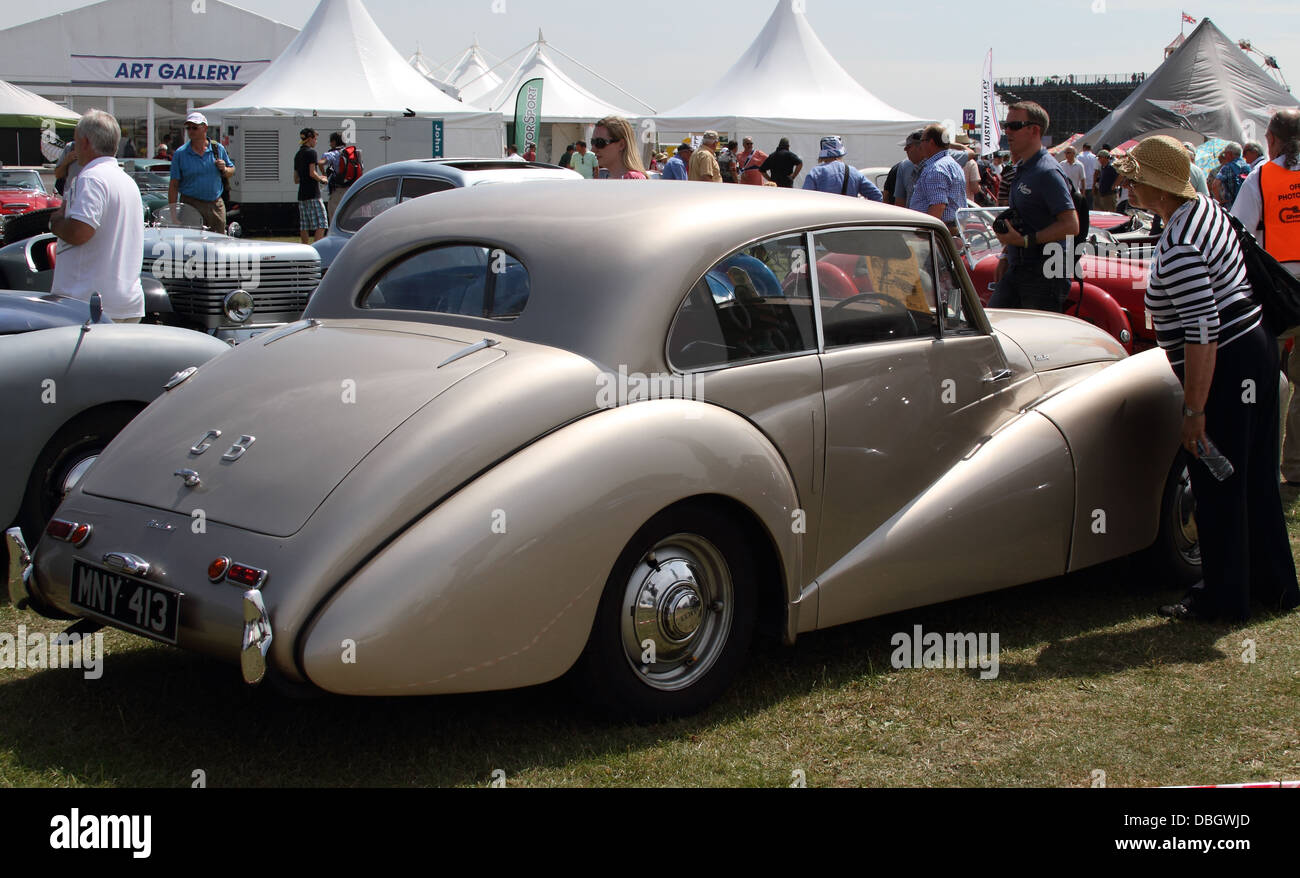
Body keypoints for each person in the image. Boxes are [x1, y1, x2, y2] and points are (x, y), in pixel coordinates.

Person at [1114, 135, 1299, 622]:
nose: (1127, 186)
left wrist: (1194, 411)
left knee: (1217, 480)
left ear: (1159, 186)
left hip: (1227, 362)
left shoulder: (1179, 242)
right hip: (1254, 349)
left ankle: (1223, 596)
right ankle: (1273, 584)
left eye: (1135, 178)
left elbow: (1201, 333)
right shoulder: (1210, 212)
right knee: (1255, 476)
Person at [1232, 109, 1300, 483]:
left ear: (1271, 140)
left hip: (1276, 292)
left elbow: (1237, 233)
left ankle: (1265, 466)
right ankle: (1296, 467)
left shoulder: (1262, 176)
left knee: (1264, 379)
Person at [48, 109, 144, 322]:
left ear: (84, 142)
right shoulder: (126, 181)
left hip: (89, 307)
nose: (74, 148)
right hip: (123, 303)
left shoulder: (91, 179)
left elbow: (79, 232)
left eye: (75, 142)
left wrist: (55, 221)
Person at [988, 102, 1078, 312]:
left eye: (1014, 125)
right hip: (1020, 267)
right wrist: (1006, 254)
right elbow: (1021, 219)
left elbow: (1071, 225)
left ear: (1034, 130)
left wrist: (1025, 241)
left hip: (1043, 273)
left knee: (1036, 340)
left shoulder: (1047, 172)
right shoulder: (1024, 168)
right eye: (1005, 125)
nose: (1007, 131)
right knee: (998, 325)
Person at [168, 111, 234, 234]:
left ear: (205, 128)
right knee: (192, 244)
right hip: (190, 204)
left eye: (195, 127)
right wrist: (173, 214)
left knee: (218, 242)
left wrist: (224, 169)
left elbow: (231, 171)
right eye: (188, 128)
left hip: (215, 204)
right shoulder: (180, 154)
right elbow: (174, 185)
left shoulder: (217, 149)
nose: (191, 131)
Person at [908, 124, 966, 230]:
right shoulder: (953, 164)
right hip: (952, 228)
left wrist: (927, 233)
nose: (920, 145)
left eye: (922, 141)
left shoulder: (936, 169)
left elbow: (938, 206)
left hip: (937, 233)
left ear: (931, 142)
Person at [801, 136, 881, 199]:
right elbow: (876, 195)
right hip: (850, 218)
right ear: (841, 152)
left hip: (823, 218)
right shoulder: (853, 172)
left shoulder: (816, 172)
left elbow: (805, 198)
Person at [293, 128, 329, 243]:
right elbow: (312, 172)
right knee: (322, 222)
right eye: (315, 138)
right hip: (313, 194)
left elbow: (296, 179)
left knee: (305, 225)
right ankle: (317, 248)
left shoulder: (297, 155)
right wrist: (322, 179)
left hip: (302, 195)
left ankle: (305, 249)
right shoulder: (311, 152)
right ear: (310, 139)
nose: (316, 141)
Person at [1215, 142, 1249, 208]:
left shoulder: (1227, 167)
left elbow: (1215, 185)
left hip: (1230, 207)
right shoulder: (1248, 167)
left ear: (1230, 154)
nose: (1225, 156)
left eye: (1225, 154)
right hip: (1245, 206)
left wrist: (1220, 201)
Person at [1077, 142, 1099, 208]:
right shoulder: (1095, 157)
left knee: (1080, 204)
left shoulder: (1079, 157)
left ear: (1083, 148)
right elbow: (1097, 170)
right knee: (1090, 205)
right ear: (1090, 148)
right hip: (1091, 184)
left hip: (1081, 184)